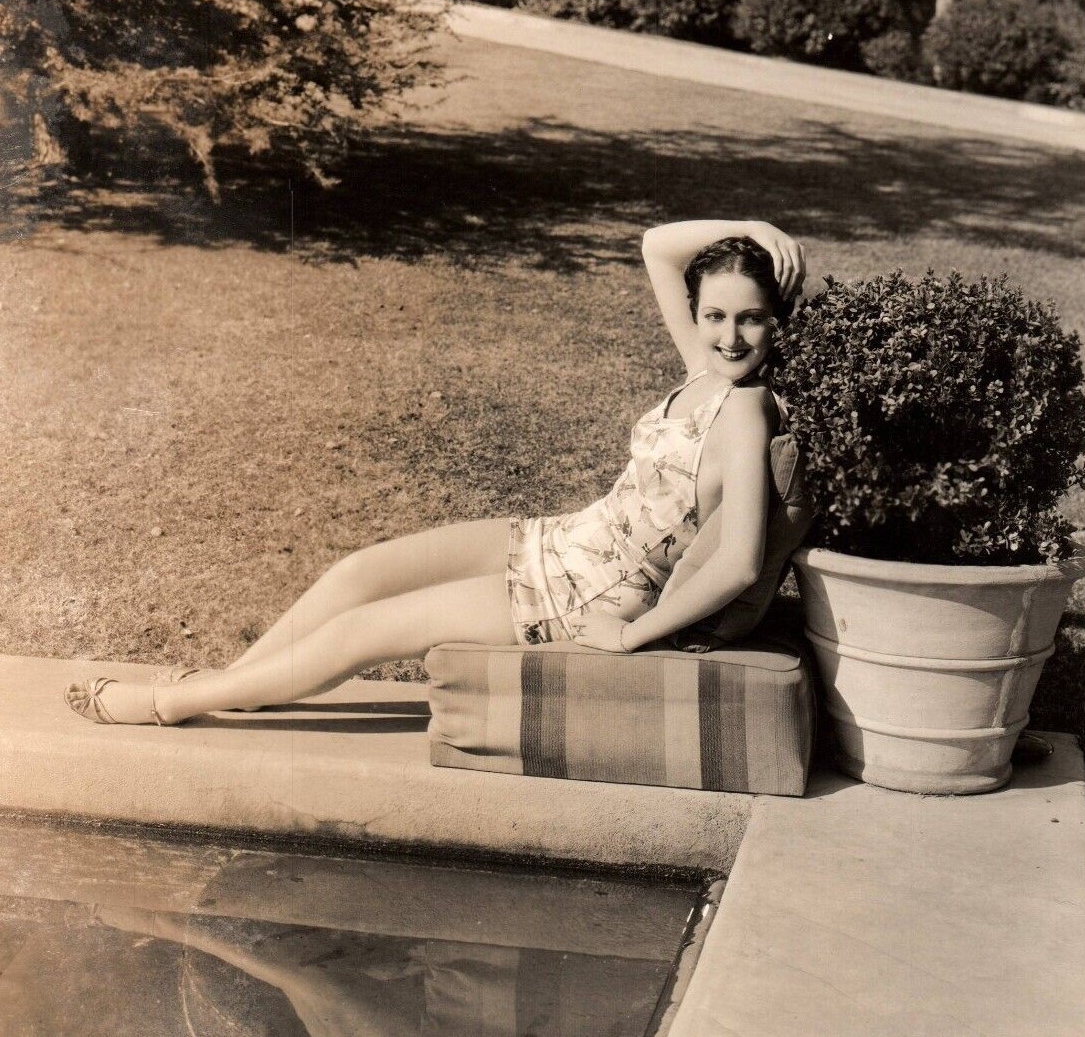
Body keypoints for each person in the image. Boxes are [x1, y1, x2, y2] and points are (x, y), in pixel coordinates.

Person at [64, 219, 806, 726]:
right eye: (715, 315)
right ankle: (237, 685)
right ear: (698, 314)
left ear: (776, 322)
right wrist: (756, 232)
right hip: (558, 540)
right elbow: (656, 246)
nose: (729, 335)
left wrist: (634, 634)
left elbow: (738, 562)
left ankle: (172, 705)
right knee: (357, 573)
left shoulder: (746, 413)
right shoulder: (703, 370)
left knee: (361, 631)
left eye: (750, 318)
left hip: (582, 596)